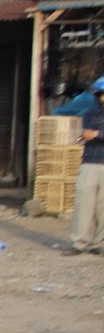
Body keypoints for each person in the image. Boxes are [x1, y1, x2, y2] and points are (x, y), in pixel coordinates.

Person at [65, 76, 104, 255]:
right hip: (90, 162)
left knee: (102, 207)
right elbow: (86, 133)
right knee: (83, 203)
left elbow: (92, 135)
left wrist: (96, 135)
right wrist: (94, 135)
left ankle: (97, 244)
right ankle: (78, 243)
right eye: (101, 94)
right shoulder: (90, 114)